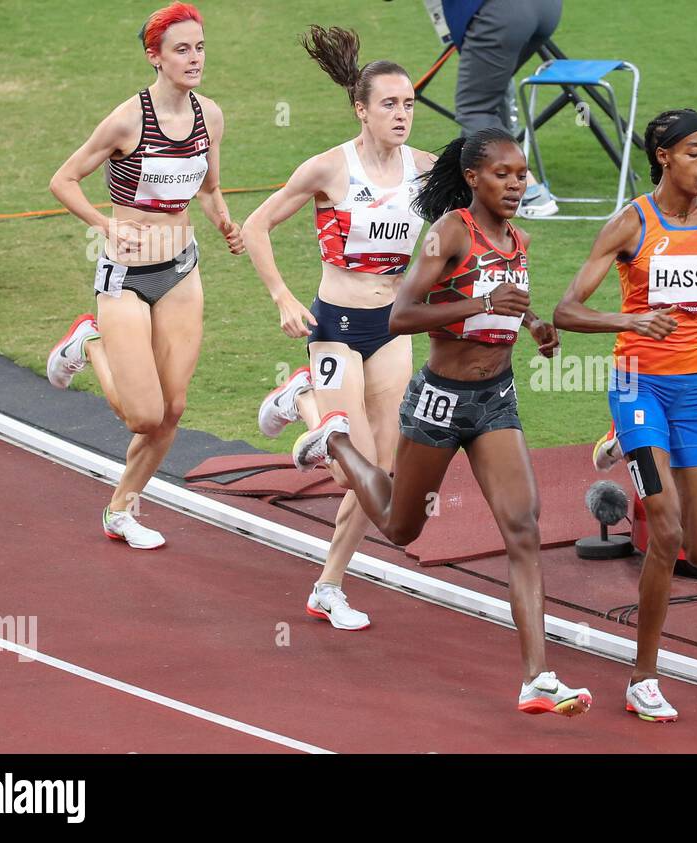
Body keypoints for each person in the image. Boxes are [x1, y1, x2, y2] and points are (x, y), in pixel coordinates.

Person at [291, 127, 591, 716]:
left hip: (495, 401)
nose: (514, 183)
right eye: (501, 174)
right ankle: (337, 440)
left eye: (521, 174)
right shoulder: (449, 232)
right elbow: (402, 314)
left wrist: (533, 326)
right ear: (474, 177)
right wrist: (480, 306)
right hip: (440, 400)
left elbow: (510, 295)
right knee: (403, 529)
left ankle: (536, 678)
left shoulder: (519, 238)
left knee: (524, 529)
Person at [553, 109, 697, 722]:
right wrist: (630, 319)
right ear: (664, 157)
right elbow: (567, 309)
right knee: (666, 533)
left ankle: (622, 443)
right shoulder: (630, 224)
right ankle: (643, 676)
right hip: (638, 384)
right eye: (696, 152)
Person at [242, 26, 434, 631]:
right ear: (362, 109)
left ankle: (328, 586)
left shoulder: (427, 171)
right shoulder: (329, 168)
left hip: (394, 326)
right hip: (335, 324)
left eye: (408, 104)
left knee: (383, 471)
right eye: (389, 104)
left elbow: (458, 238)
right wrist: (281, 296)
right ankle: (303, 397)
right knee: (349, 465)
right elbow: (255, 226)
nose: (402, 115)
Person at [46, 2, 244, 550]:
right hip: (126, 274)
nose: (195, 58)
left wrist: (226, 223)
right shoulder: (127, 119)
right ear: (155, 57)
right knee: (143, 415)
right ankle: (90, 343)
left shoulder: (211, 116)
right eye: (182, 49)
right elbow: (63, 179)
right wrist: (104, 224)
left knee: (173, 410)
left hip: (181, 268)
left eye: (200, 47)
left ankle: (121, 509)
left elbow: (207, 188)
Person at [441, 0, 563, 217]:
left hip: (502, 12)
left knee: (475, 108)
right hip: (547, 8)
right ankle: (458, 186)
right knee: (492, 87)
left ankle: (531, 191)